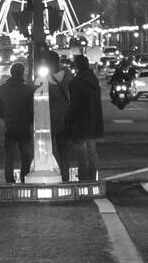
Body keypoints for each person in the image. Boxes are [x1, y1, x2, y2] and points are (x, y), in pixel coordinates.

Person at [65, 54, 104, 182]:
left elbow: (75, 105)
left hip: (80, 123)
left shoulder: (77, 82)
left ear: (77, 66)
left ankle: (83, 180)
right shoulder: (93, 80)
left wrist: (68, 120)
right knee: (92, 151)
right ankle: (93, 178)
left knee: (82, 155)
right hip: (93, 121)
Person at [0, 63, 33, 183]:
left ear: (11, 73)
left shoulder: (3, 88)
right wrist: (30, 119)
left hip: (10, 126)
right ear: (22, 73)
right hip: (24, 126)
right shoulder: (28, 90)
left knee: (9, 155)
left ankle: (9, 179)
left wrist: (4, 116)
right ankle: (24, 176)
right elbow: (32, 109)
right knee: (26, 155)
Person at [42, 50, 73, 181]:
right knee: (63, 150)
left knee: (47, 149)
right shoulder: (67, 75)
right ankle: (65, 176)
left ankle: (51, 175)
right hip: (65, 117)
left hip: (47, 118)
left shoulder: (42, 78)